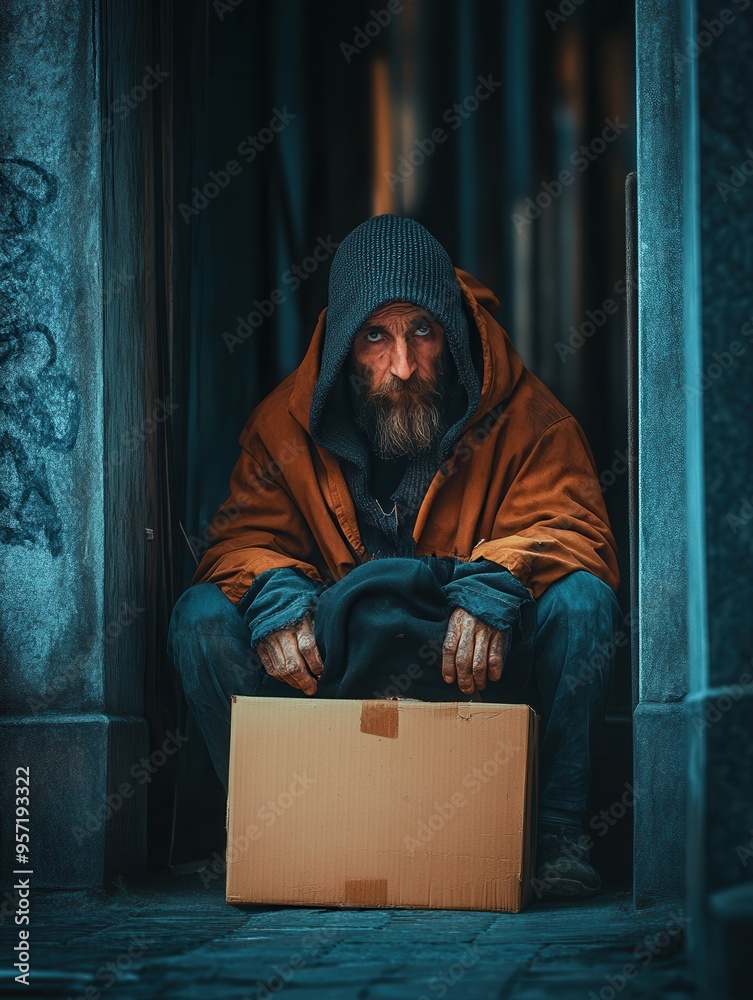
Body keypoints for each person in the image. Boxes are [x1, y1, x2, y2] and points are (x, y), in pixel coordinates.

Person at [168, 214, 622, 900]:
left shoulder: (532, 419)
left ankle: (554, 836)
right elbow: (236, 544)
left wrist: (497, 577)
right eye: (375, 337)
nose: (402, 366)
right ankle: (278, 833)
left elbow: (575, 528)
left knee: (583, 600)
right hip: (338, 677)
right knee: (200, 617)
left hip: (475, 678)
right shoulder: (279, 429)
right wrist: (273, 587)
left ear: (454, 337)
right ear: (344, 346)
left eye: (422, 333)